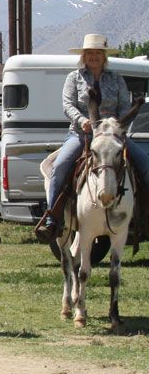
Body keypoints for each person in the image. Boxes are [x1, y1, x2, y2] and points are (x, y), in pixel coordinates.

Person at [35, 33, 149, 242]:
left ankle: (144, 216)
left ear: (104, 56)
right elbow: (68, 105)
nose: (94, 56)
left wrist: (117, 125)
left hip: (113, 136)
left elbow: (125, 106)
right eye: (90, 53)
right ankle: (53, 219)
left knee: (146, 164)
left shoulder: (116, 79)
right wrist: (82, 121)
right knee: (60, 167)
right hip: (81, 135)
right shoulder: (74, 78)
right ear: (84, 56)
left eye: (98, 53)